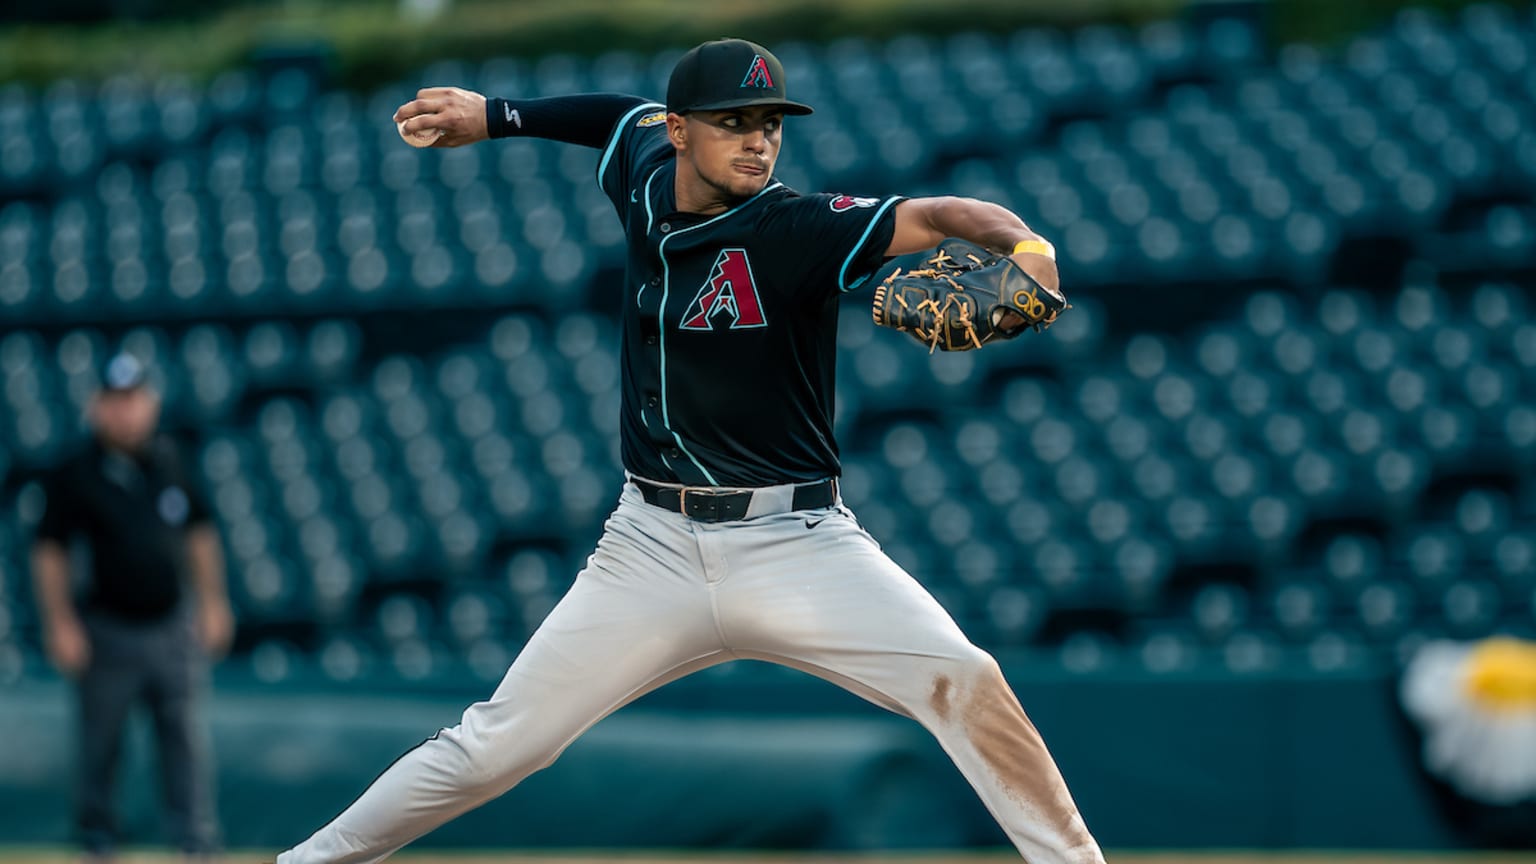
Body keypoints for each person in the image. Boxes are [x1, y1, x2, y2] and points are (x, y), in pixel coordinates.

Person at [276, 38, 1102, 864]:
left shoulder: (797, 228)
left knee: (968, 680)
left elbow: (940, 215)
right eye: (733, 122)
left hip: (799, 546)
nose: (758, 141)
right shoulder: (644, 167)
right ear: (679, 130)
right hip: (651, 549)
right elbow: (612, 118)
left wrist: (1028, 246)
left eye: (771, 124)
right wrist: (494, 117)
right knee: (497, 747)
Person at [31, 352, 232, 863]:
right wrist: (59, 622)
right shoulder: (75, 471)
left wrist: (212, 602)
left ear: (151, 403)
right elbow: (50, 550)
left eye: (134, 400)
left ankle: (195, 842)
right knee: (101, 745)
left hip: (171, 625)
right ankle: (98, 842)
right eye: (115, 402)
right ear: (98, 407)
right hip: (107, 630)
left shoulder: (171, 458)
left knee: (184, 741)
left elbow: (201, 533)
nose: (126, 412)